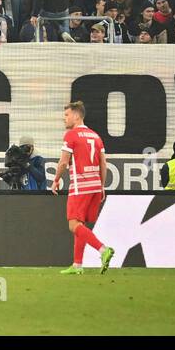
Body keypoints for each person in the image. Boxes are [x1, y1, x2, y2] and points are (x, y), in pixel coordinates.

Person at [50, 100, 114, 275]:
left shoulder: (71, 135)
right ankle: (77, 265)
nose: (65, 119)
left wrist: (56, 180)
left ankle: (103, 250)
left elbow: (63, 162)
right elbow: (103, 163)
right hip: (95, 186)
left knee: (73, 225)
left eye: (67, 115)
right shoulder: (95, 136)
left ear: (76, 116)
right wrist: (101, 186)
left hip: (80, 186)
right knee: (80, 224)